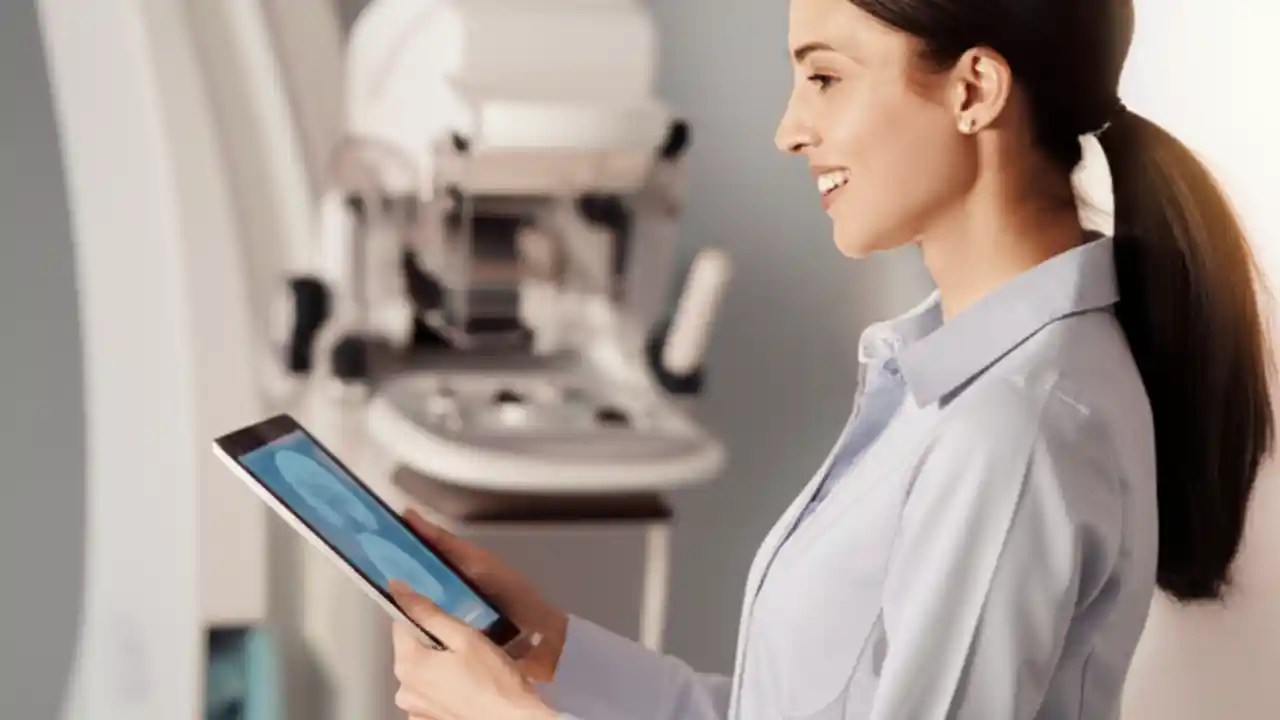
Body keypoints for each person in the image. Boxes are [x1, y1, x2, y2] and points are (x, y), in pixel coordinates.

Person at [383, 0, 1275, 717]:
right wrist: (552, 651)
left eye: (824, 77)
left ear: (973, 90)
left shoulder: (1012, 426)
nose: (789, 130)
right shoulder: (940, 379)